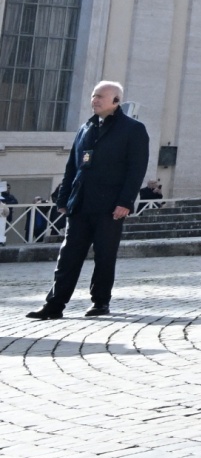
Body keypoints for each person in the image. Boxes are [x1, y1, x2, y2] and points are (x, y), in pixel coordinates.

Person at [28, 82, 148, 320]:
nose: (94, 100)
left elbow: (136, 170)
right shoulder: (85, 128)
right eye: (93, 96)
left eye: (100, 97)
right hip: (80, 204)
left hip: (110, 206)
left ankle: (100, 302)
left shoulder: (133, 129)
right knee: (68, 256)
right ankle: (54, 305)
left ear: (116, 100)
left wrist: (125, 202)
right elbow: (73, 166)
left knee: (104, 257)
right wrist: (64, 199)